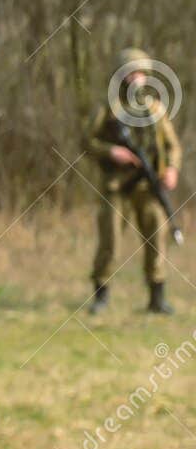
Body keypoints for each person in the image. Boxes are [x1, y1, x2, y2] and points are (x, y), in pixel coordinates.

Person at [85, 47, 183, 315]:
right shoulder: (106, 110)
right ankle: (101, 295)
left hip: (147, 186)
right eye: (129, 73)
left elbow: (172, 146)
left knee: (157, 236)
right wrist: (111, 152)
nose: (135, 78)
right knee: (111, 240)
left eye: (139, 73)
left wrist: (171, 169)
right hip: (116, 186)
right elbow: (88, 142)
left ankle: (157, 296)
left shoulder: (155, 110)